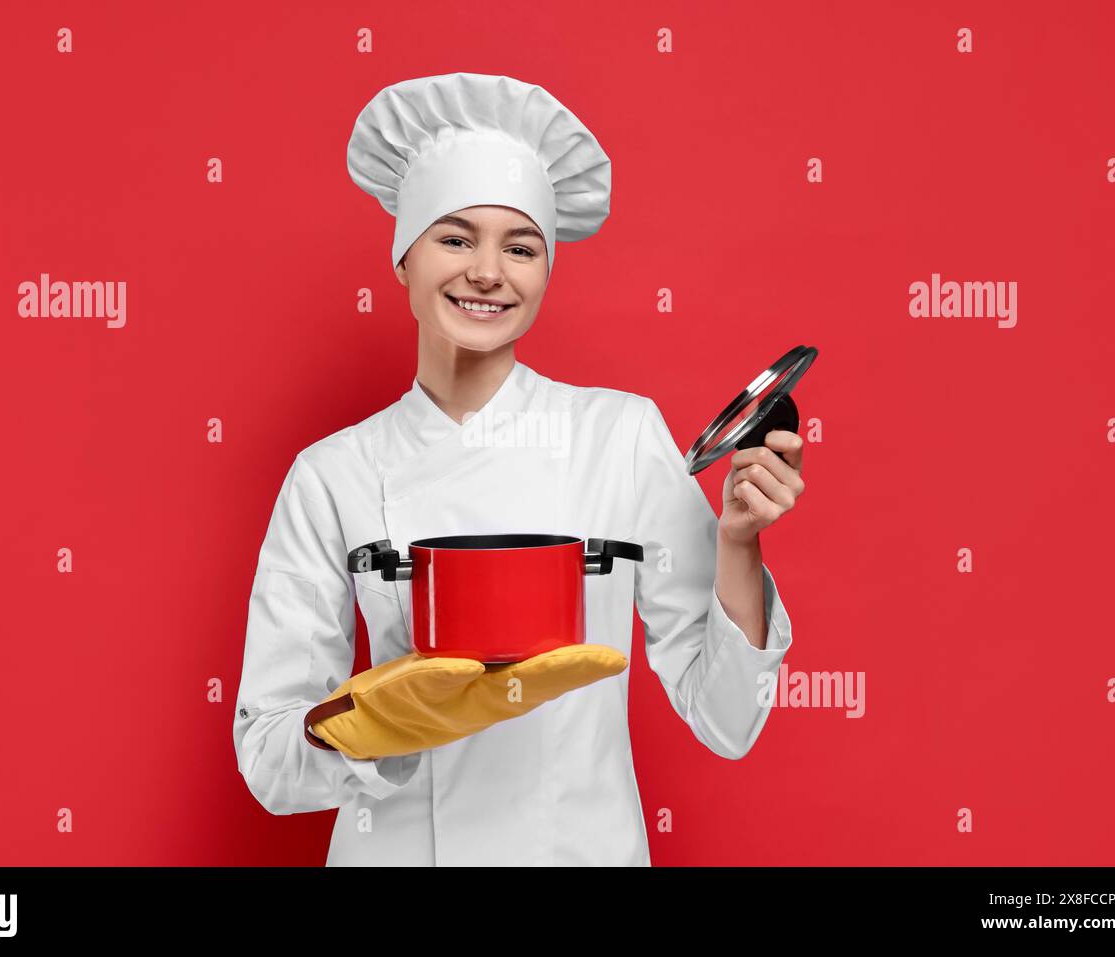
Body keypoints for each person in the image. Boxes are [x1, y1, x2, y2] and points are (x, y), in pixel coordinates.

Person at [232, 73, 805, 866]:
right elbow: (267, 754)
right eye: (456, 238)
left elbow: (727, 718)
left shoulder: (622, 436)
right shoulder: (332, 475)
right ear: (403, 257)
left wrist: (739, 544)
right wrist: (389, 718)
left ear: (545, 272)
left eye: (521, 247)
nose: (487, 273)